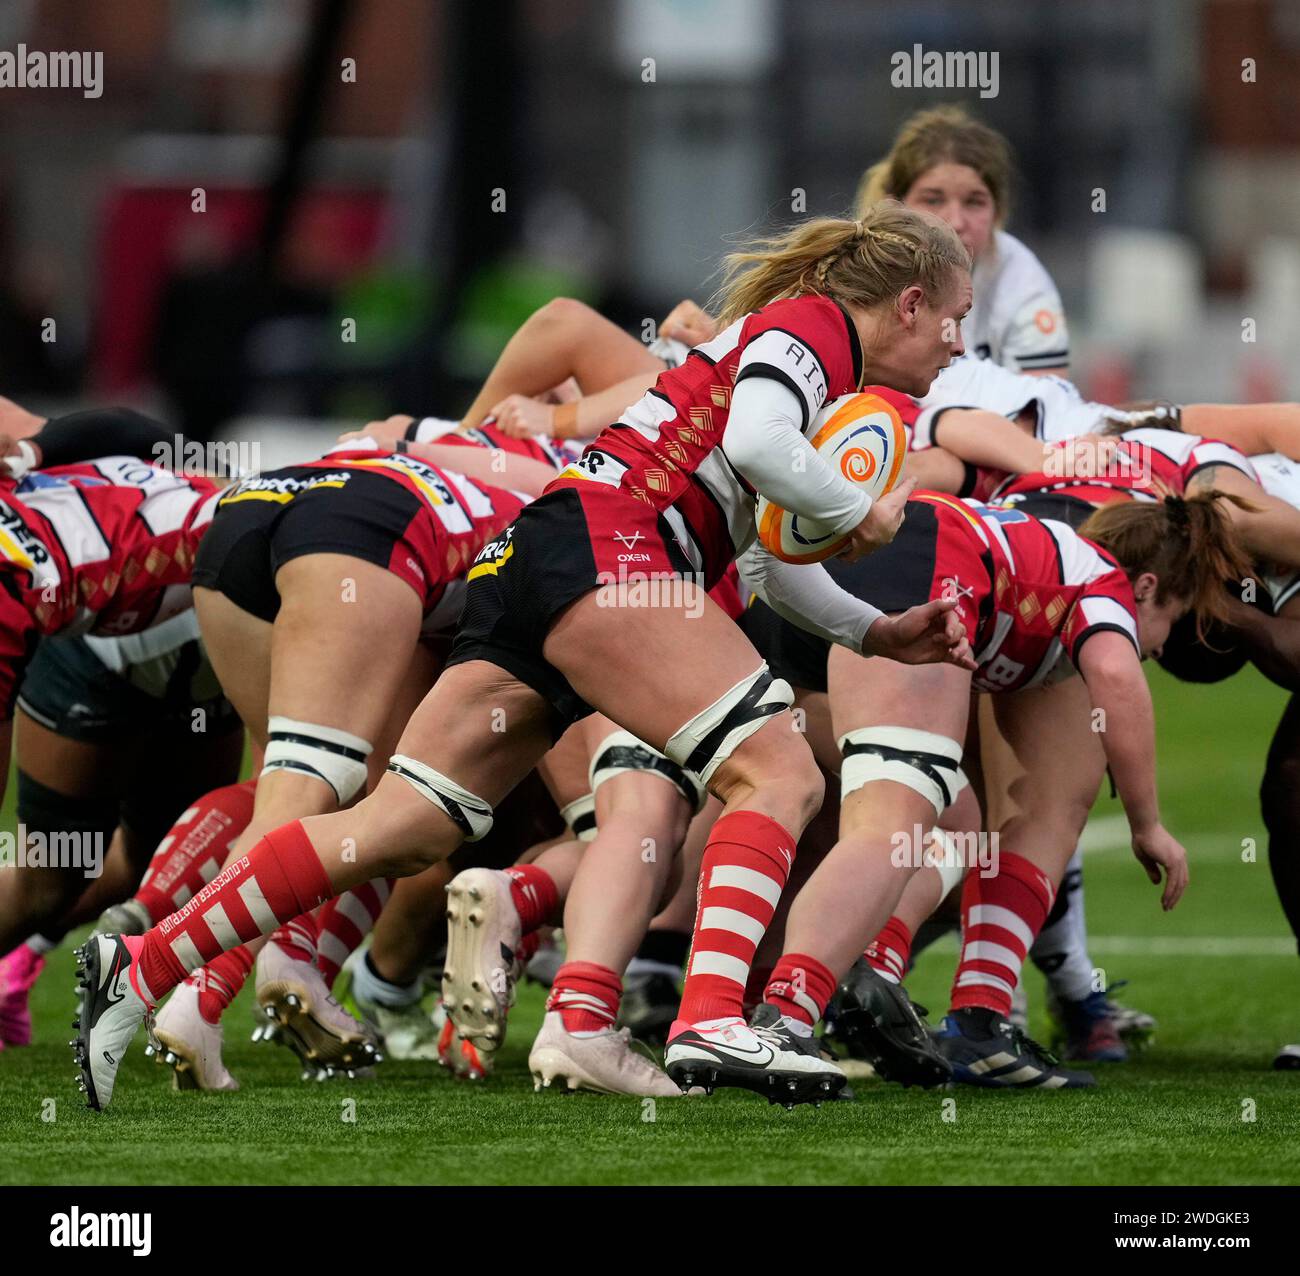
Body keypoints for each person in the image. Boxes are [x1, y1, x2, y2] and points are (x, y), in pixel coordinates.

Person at [73, 203, 979, 1111]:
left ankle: (143, 962)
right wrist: (859, 511)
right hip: (608, 546)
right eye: (955, 321)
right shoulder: (814, 325)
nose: (958, 346)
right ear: (906, 305)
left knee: (403, 824)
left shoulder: (788, 347)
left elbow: (755, 558)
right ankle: (711, 1020)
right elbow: (754, 446)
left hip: (534, 554)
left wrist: (873, 630)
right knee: (781, 772)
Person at [745, 490, 1247, 1087]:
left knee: (953, 823)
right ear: (1145, 586)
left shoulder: (1046, 560)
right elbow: (1116, 676)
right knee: (891, 821)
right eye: (1172, 617)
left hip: (812, 600)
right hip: (917, 578)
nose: (1161, 645)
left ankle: (861, 983)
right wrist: (1148, 824)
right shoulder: (1104, 581)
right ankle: (786, 1017)